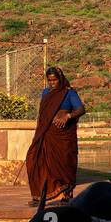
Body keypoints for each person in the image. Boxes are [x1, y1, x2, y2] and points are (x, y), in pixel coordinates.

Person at [24, 67, 86, 205]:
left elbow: (81, 109)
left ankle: (65, 195)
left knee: (63, 165)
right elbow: (44, 114)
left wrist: (68, 115)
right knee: (35, 160)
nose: (52, 83)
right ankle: (40, 196)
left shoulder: (69, 93)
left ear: (60, 79)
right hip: (46, 134)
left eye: (55, 80)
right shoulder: (45, 92)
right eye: (49, 80)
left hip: (63, 137)